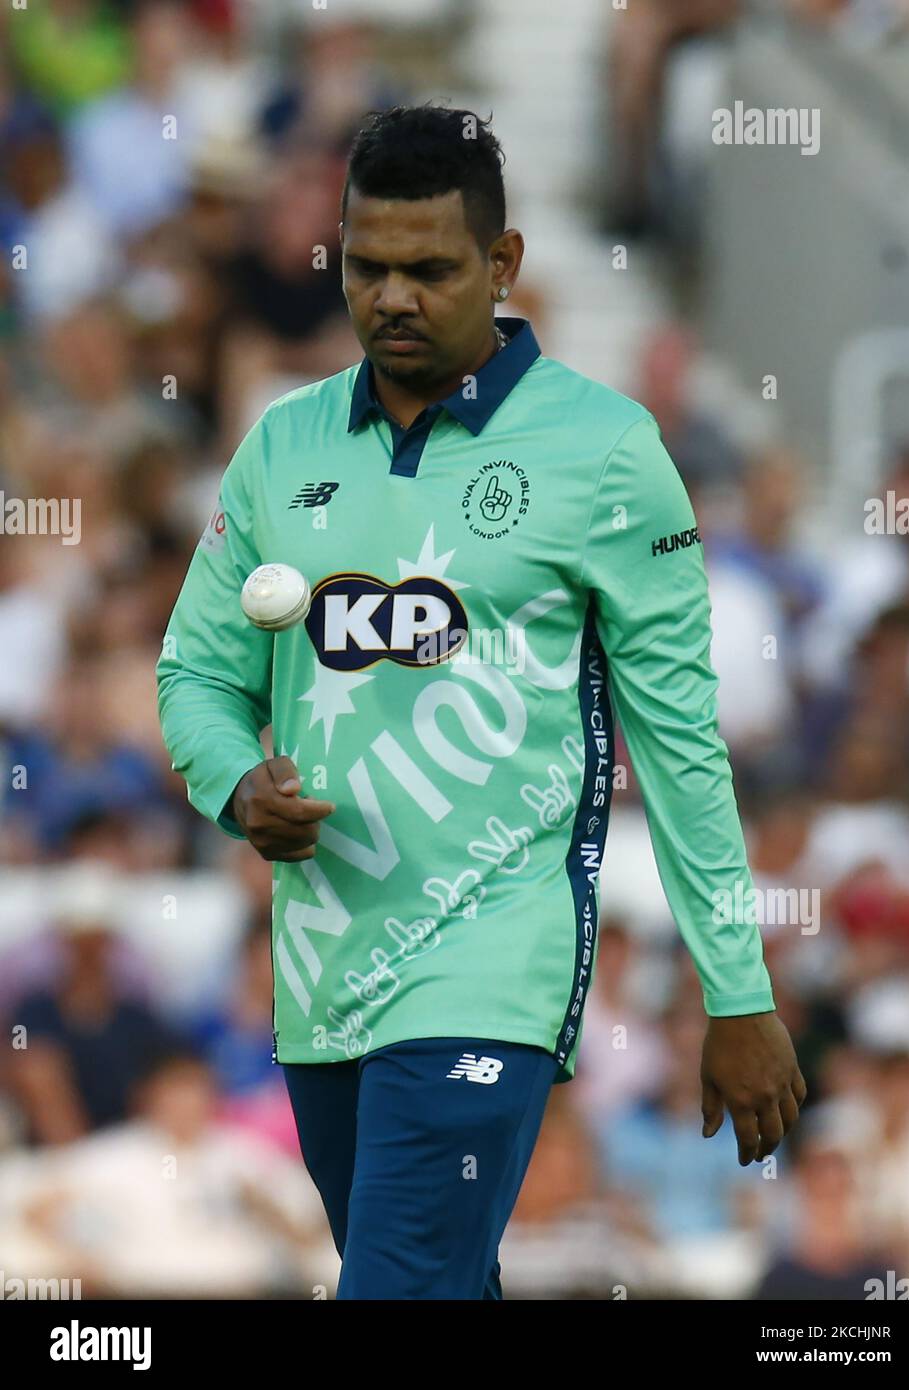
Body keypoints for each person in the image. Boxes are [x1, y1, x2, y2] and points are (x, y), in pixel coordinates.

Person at [156, 103, 805, 1300]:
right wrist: (236, 784)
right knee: (433, 1282)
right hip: (322, 971)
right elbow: (196, 672)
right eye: (366, 266)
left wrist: (736, 988)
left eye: (429, 269)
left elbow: (679, 743)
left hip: (491, 961)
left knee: (395, 1288)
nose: (391, 296)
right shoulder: (281, 446)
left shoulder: (606, 455)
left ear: (500, 266)